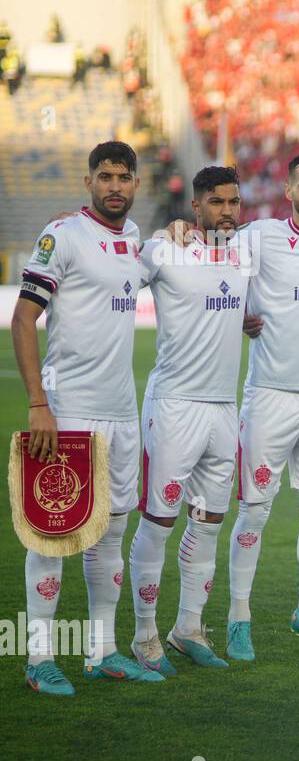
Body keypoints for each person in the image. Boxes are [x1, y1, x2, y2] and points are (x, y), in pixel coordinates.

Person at [14, 140, 161, 694]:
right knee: (52, 535)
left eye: (124, 177)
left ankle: (103, 652)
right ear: (89, 182)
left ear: (136, 185)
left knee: (109, 536)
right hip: (69, 408)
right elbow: (24, 319)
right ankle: (38, 658)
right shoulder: (63, 236)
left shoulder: (134, 241)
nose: (115, 186)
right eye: (106, 177)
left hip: (122, 411)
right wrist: (39, 405)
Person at [201, 153, 299, 661]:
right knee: (255, 511)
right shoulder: (260, 236)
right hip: (269, 396)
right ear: (288, 191)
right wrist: (179, 227)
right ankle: (238, 617)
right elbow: (209, 247)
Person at [129, 166, 249, 673]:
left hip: (224, 408)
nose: (227, 211)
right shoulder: (165, 250)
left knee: (209, 523)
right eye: (217, 202)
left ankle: (189, 628)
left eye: (234, 202)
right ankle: (143, 636)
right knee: (159, 521)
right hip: (174, 406)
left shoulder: (247, 253)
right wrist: (160, 232)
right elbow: (112, 269)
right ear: (196, 207)